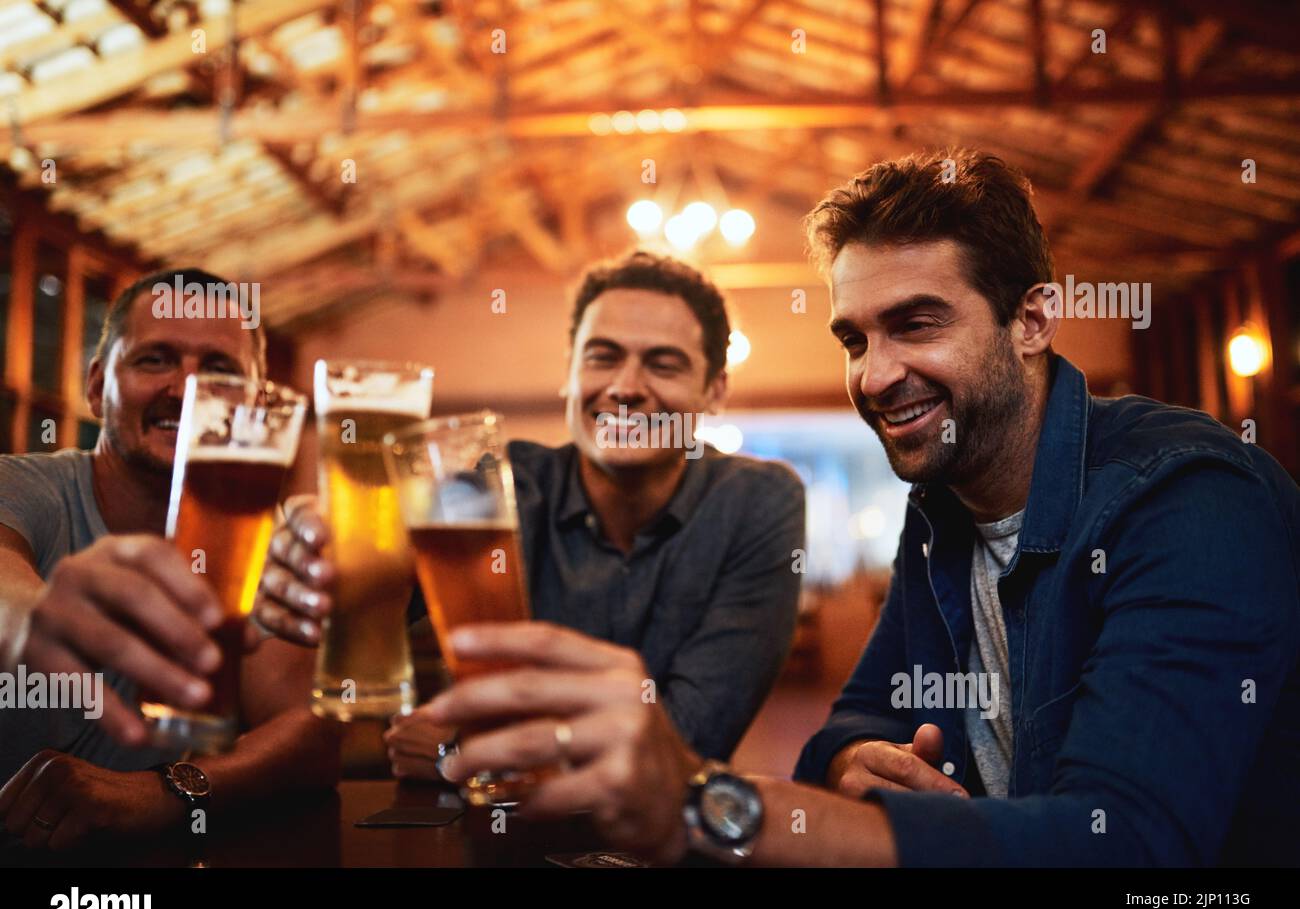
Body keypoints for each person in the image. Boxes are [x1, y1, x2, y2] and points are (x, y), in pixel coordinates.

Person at [412, 151, 1300, 867]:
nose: (873, 376)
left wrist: (712, 805)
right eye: (854, 338)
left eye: (917, 323)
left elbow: (1128, 845)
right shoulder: (941, 507)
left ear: (1032, 320)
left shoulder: (1190, 498)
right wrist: (848, 759)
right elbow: (845, 727)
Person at [264, 251, 807, 767]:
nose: (625, 388)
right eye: (603, 357)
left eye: (663, 365)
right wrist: (315, 550)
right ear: (569, 374)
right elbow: (371, 596)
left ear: (715, 391)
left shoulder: (756, 500)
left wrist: (471, 755)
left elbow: (693, 735)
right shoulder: (497, 484)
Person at [0, 268, 339, 852]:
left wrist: (163, 792)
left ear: (258, 403)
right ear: (96, 385)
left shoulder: (256, 533)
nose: (187, 391)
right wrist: (34, 614)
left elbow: (308, 737)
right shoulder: (28, 487)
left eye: (218, 369)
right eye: (154, 359)